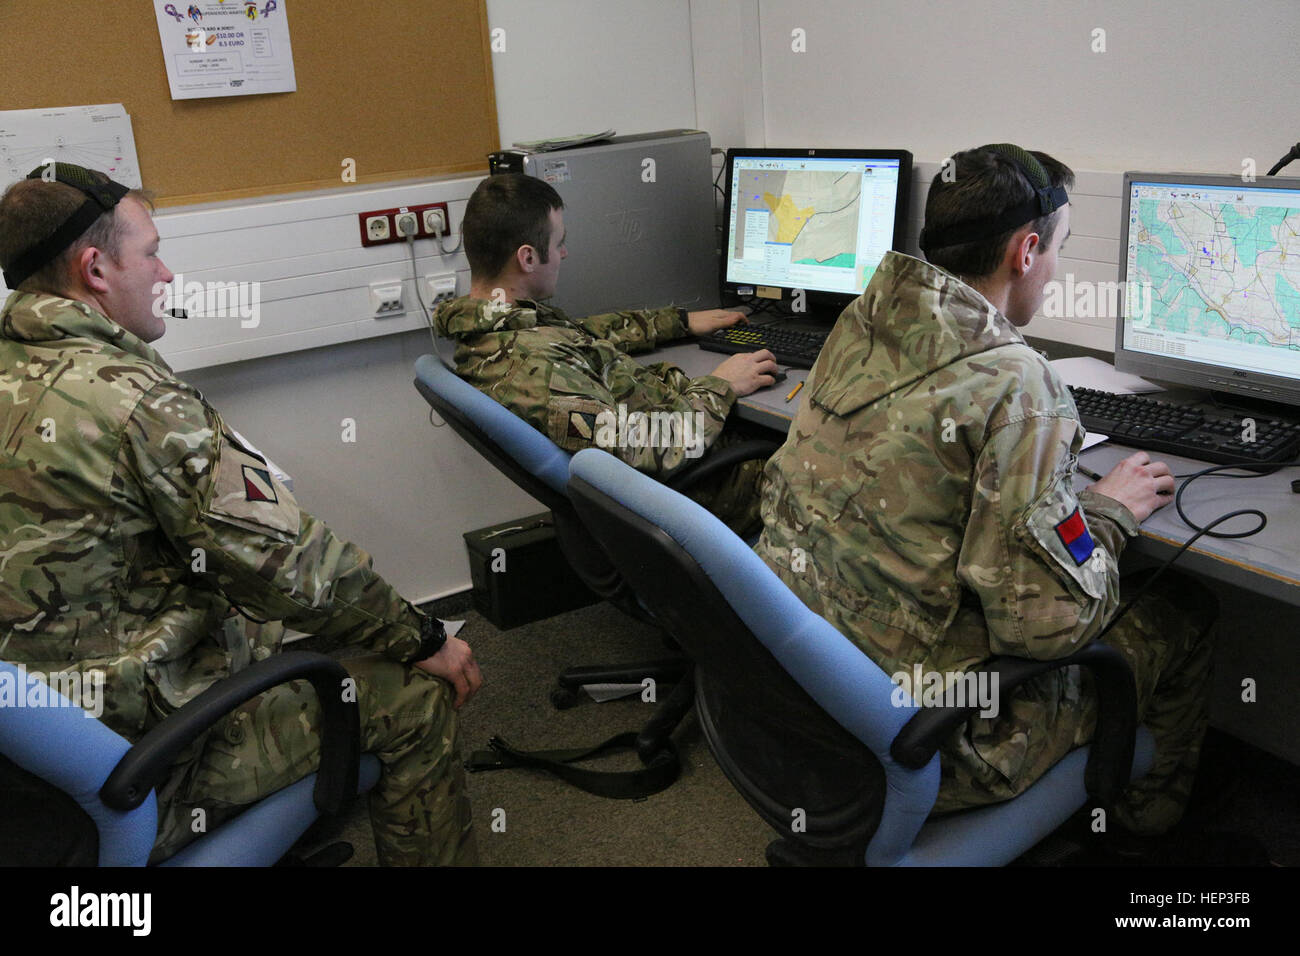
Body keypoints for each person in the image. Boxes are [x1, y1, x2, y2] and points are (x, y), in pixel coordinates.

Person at [0, 163, 481, 865]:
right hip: (136, 764)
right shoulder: (133, 400)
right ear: (95, 269)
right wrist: (423, 638)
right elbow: (293, 564)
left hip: (31, 763)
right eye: (152, 253)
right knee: (409, 701)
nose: (165, 274)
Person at [754, 144, 1215, 840]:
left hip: (808, 700)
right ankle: (1138, 830)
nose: (1057, 269)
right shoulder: (1019, 386)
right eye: (1059, 249)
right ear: (1026, 251)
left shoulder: (863, 319)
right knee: (1186, 608)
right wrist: (1110, 515)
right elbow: (1046, 626)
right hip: (943, 737)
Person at [434, 173, 779, 534]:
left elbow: (581, 333)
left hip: (685, 445)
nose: (565, 253)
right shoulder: (538, 369)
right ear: (528, 257)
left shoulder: (492, 324)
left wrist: (679, 322)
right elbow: (650, 448)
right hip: (700, 489)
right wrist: (721, 384)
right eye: (559, 243)